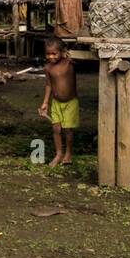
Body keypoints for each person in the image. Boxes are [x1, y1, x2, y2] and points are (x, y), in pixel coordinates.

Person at [40, 36, 78, 166]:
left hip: (70, 102)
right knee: (56, 128)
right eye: (48, 54)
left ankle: (68, 154)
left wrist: (70, 55)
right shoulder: (48, 68)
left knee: (68, 129)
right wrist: (45, 102)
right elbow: (49, 85)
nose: (51, 57)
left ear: (62, 52)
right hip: (56, 102)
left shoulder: (70, 63)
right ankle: (59, 153)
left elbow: (82, 60)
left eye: (54, 53)